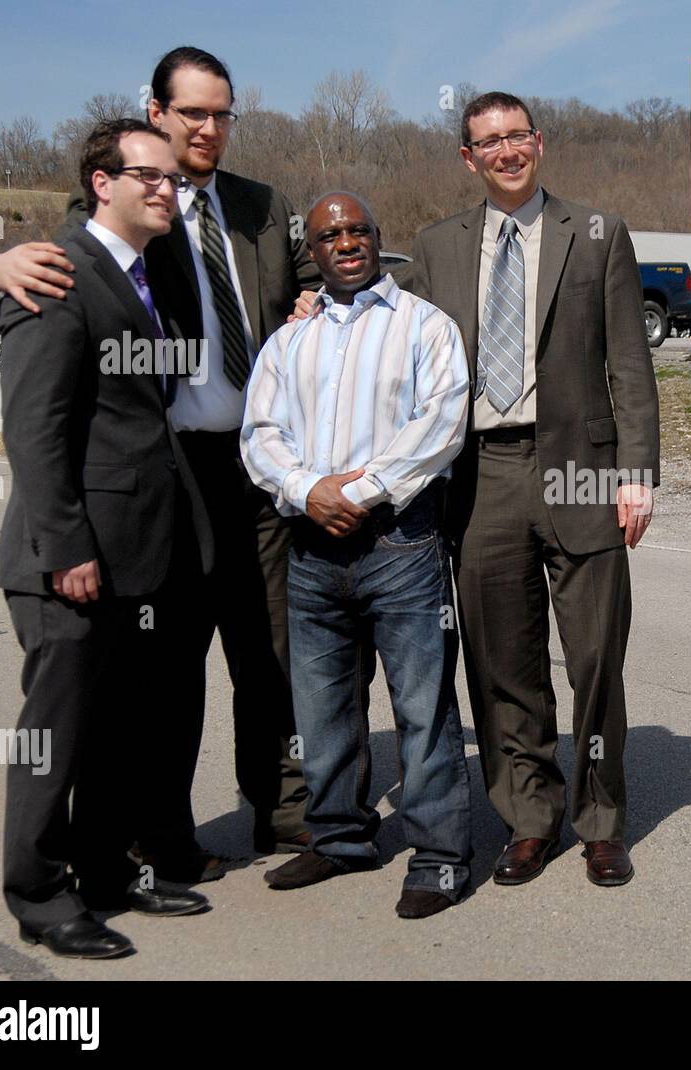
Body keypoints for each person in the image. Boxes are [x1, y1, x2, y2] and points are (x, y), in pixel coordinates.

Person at [0, 46, 319, 877]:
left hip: (261, 464)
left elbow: (319, 267)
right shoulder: (139, 199)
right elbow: (63, 265)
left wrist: (316, 295)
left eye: (223, 113)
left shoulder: (263, 205)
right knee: (165, 665)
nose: (210, 129)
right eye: (193, 113)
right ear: (157, 114)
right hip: (172, 471)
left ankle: (282, 807)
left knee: (270, 650)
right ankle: (159, 832)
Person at [401, 92, 659, 886]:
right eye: (490, 141)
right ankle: (529, 819)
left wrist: (639, 474)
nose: (507, 151)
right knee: (501, 662)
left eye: (518, 136)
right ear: (467, 158)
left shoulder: (598, 232)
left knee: (594, 660)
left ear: (539, 144)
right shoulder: (436, 248)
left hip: (584, 469)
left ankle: (601, 820)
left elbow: (630, 366)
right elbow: (403, 353)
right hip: (482, 475)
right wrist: (317, 309)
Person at [0, 119, 214, 958]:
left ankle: (107, 873)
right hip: (72, 558)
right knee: (58, 734)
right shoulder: (57, 272)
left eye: (173, 180)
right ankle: (39, 894)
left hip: (139, 554)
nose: (166, 188)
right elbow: (35, 429)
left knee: (120, 727)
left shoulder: (142, 275)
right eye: (149, 176)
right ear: (102, 183)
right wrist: (65, 549)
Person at [242, 192, 473, 919]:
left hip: (399, 542)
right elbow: (259, 432)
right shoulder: (288, 341)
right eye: (328, 234)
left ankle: (439, 856)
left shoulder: (425, 326)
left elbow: (440, 424)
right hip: (311, 548)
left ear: (378, 239)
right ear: (310, 251)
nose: (345, 242)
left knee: (422, 706)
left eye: (357, 230)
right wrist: (310, 491)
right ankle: (340, 837)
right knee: (323, 707)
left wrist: (363, 491)